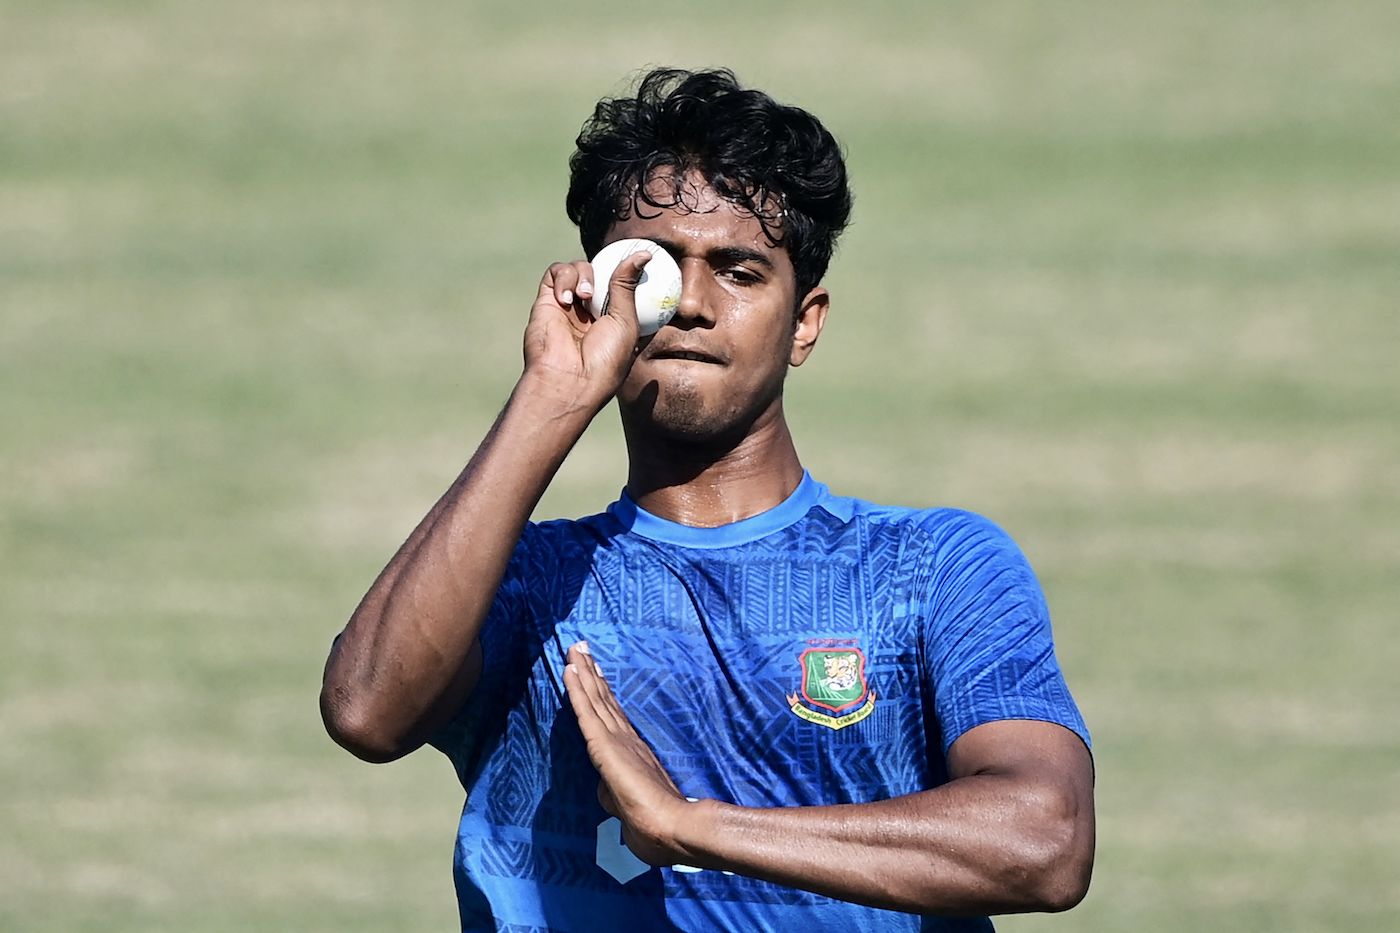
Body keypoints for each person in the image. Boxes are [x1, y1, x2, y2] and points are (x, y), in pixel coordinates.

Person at [321, 67, 1095, 932]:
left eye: (738, 270)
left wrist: (690, 826)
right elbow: (365, 710)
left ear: (806, 320)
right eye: (649, 268)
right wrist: (553, 394)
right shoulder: (525, 582)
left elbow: (1046, 841)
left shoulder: (935, 567)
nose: (689, 302)